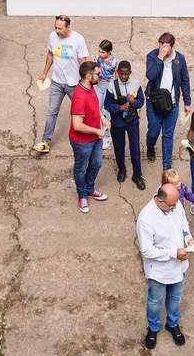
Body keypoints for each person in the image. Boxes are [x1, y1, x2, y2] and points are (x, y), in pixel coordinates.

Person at [136, 183, 194, 350]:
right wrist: (173, 253)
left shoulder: (174, 204)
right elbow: (147, 251)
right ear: (160, 202)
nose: (176, 207)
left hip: (180, 266)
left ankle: (172, 324)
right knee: (155, 301)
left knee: (175, 298)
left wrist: (188, 238)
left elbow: (183, 223)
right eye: (172, 205)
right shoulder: (145, 219)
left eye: (176, 204)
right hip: (159, 271)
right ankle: (153, 328)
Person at [32, 15, 89, 154]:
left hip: (74, 84)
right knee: (52, 112)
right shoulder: (53, 36)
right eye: (55, 27)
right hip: (57, 82)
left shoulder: (78, 40)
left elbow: (83, 62)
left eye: (60, 28)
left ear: (68, 27)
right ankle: (45, 142)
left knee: (82, 112)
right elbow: (50, 54)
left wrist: (85, 82)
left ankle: (89, 138)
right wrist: (45, 72)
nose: (57, 31)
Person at [144, 32, 192, 169]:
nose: (162, 48)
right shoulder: (153, 56)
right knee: (153, 131)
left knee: (168, 135)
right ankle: (150, 146)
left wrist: (187, 102)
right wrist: (160, 57)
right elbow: (151, 76)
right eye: (160, 45)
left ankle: (167, 165)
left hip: (172, 103)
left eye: (165, 46)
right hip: (154, 102)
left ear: (172, 46)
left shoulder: (180, 59)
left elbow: (185, 80)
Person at [69, 62, 107, 212]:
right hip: (82, 142)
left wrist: (102, 117)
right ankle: (82, 195)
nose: (100, 75)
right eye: (97, 73)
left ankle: (90, 189)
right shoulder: (79, 97)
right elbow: (77, 125)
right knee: (80, 168)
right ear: (88, 76)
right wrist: (97, 131)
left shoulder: (91, 88)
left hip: (95, 137)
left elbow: (95, 106)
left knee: (97, 163)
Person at [105, 60, 146, 189]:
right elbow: (107, 105)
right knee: (119, 148)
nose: (123, 76)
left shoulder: (136, 84)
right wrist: (119, 108)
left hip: (132, 121)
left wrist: (133, 102)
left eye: (126, 74)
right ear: (117, 73)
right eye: (121, 73)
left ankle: (137, 175)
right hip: (117, 122)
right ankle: (121, 169)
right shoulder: (111, 86)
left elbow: (141, 102)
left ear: (130, 73)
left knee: (135, 148)